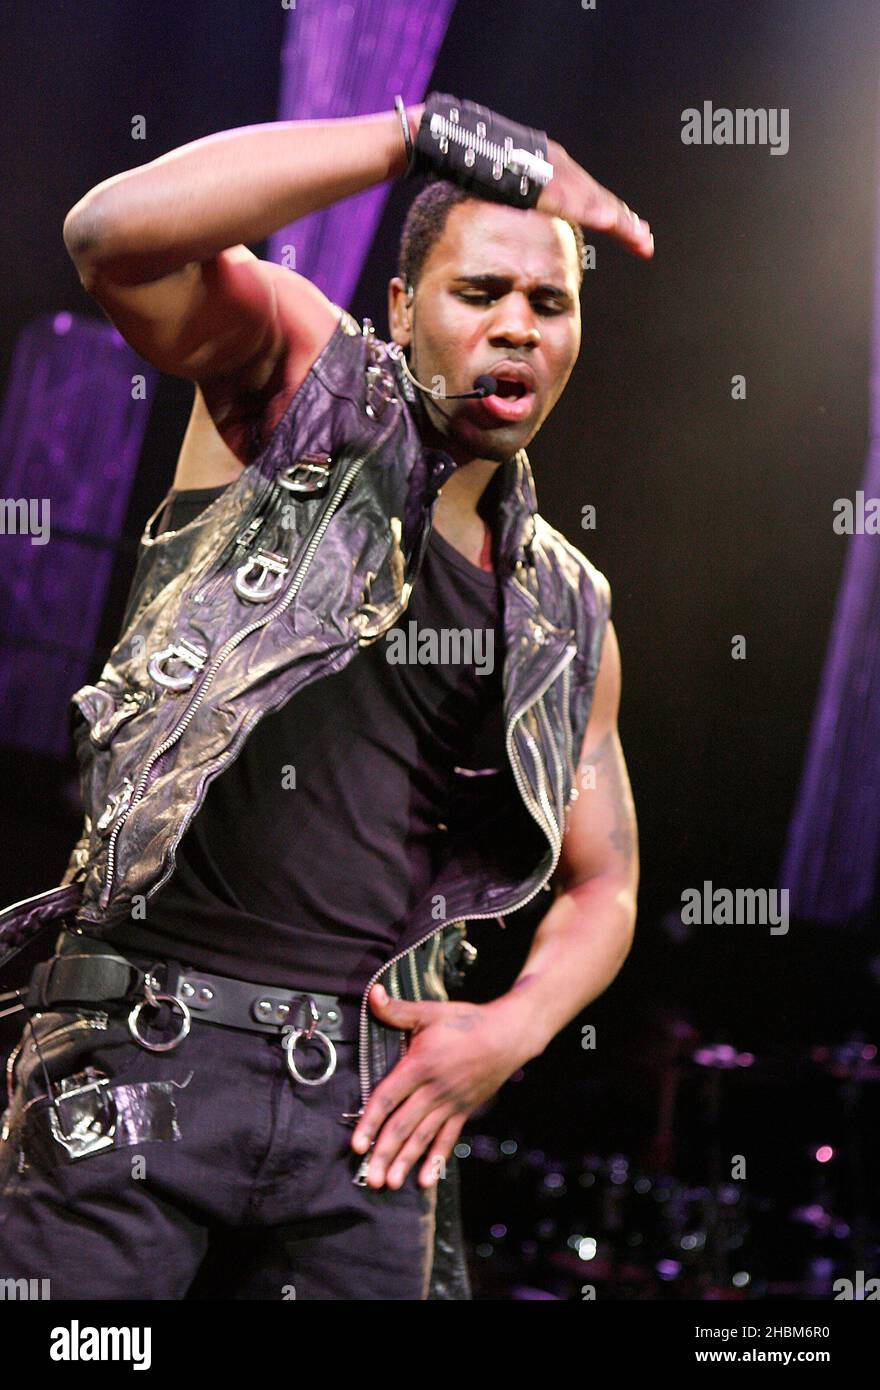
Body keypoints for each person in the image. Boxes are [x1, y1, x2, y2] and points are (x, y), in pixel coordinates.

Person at [0, 94, 646, 1299]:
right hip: (137, 1068)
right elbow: (112, 232)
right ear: (404, 309)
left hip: (365, 1115)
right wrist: (416, 133)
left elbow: (604, 881)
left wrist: (509, 1030)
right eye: (479, 293)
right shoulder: (304, 388)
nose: (515, 328)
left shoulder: (567, 611)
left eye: (547, 304)